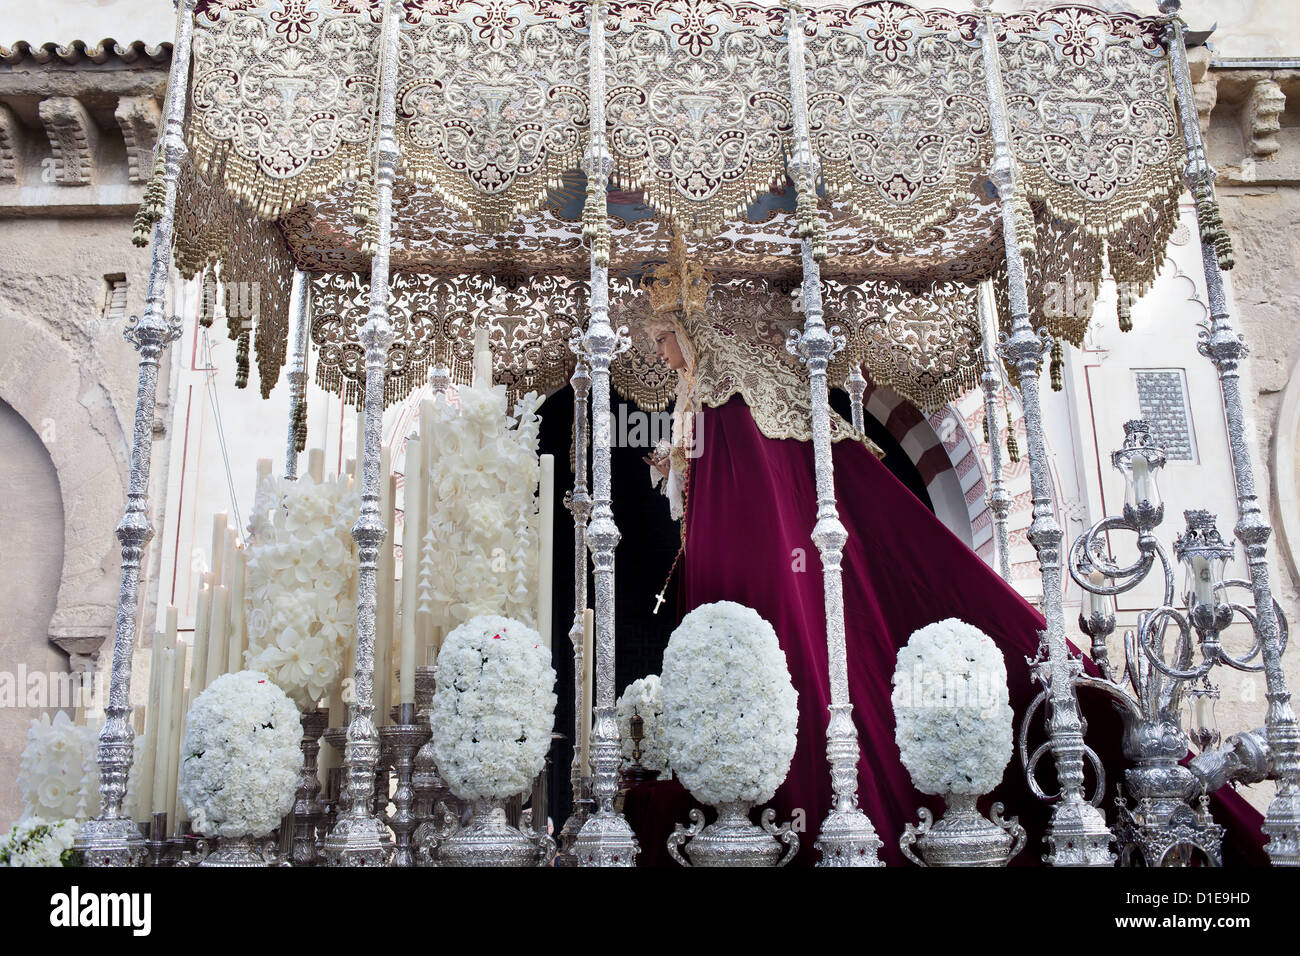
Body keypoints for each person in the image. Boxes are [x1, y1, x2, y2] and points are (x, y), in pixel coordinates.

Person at [627, 237, 1268, 867]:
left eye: (661, 334)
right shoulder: (715, 414)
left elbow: (757, 528)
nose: (658, 350)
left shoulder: (734, 409)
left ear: (690, 329)